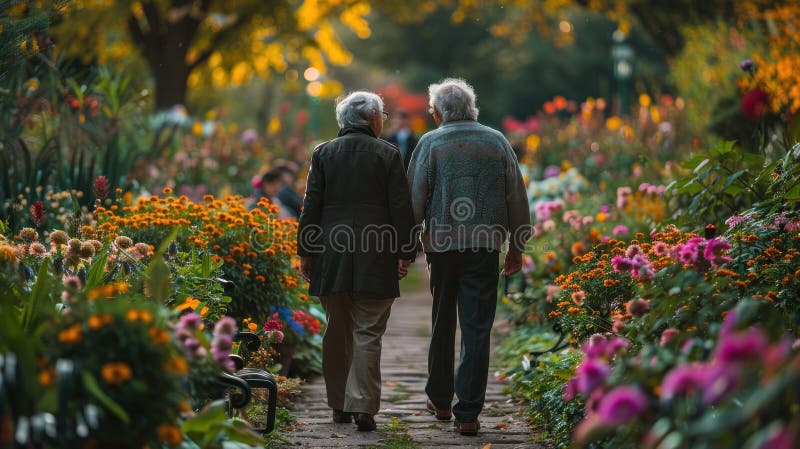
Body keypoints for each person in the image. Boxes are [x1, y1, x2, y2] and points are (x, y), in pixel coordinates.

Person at [407, 78, 531, 436]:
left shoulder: (430, 143)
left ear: (437, 113)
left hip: (442, 247)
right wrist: (517, 245)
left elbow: (414, 197)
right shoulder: (496, 141)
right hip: (484, 245)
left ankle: (441, 400)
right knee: (477, 326)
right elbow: (516, 196)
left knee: (442, 319)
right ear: (472, 109)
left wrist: (406, 245)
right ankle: (469, 412)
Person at [297, 91, 416, 432]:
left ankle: (338, 404)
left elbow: (312, 206)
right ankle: (362, 405)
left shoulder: (323, 153)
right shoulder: (388, 153)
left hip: (330, 252)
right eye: (381, 116)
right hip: (375, 252)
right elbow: (400, 207)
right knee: (368, 331)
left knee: (336, 328)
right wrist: (405, 251)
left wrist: (306, 251)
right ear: (372, 120)